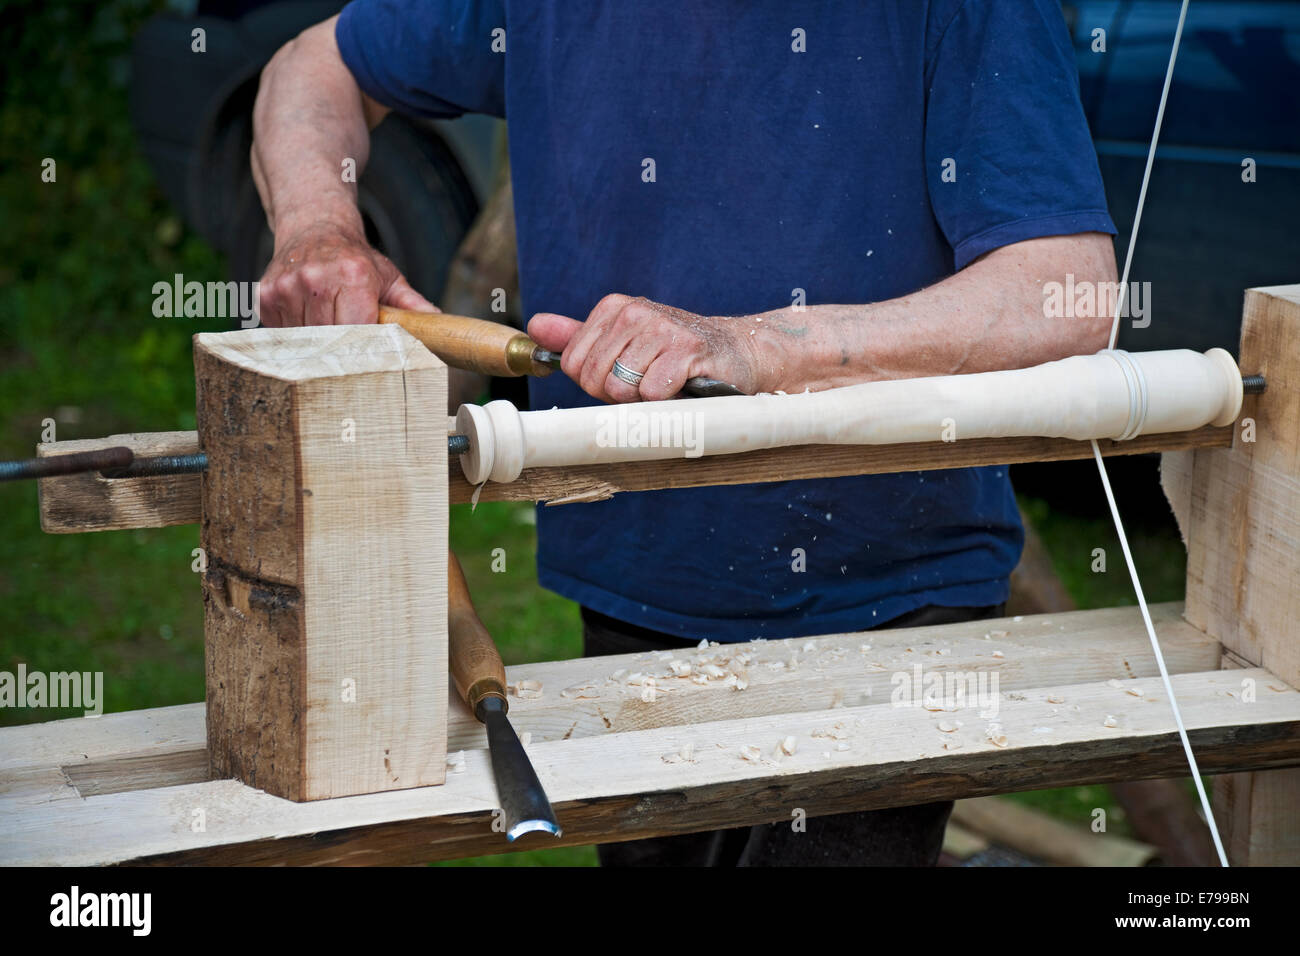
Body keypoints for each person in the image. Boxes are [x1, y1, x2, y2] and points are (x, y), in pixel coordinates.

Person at [251, 1, 1118, 865]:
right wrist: (317, 226)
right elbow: (311, 67)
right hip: (641, 578)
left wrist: (754, 344)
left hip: (891, 595)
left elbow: (1064, 291)